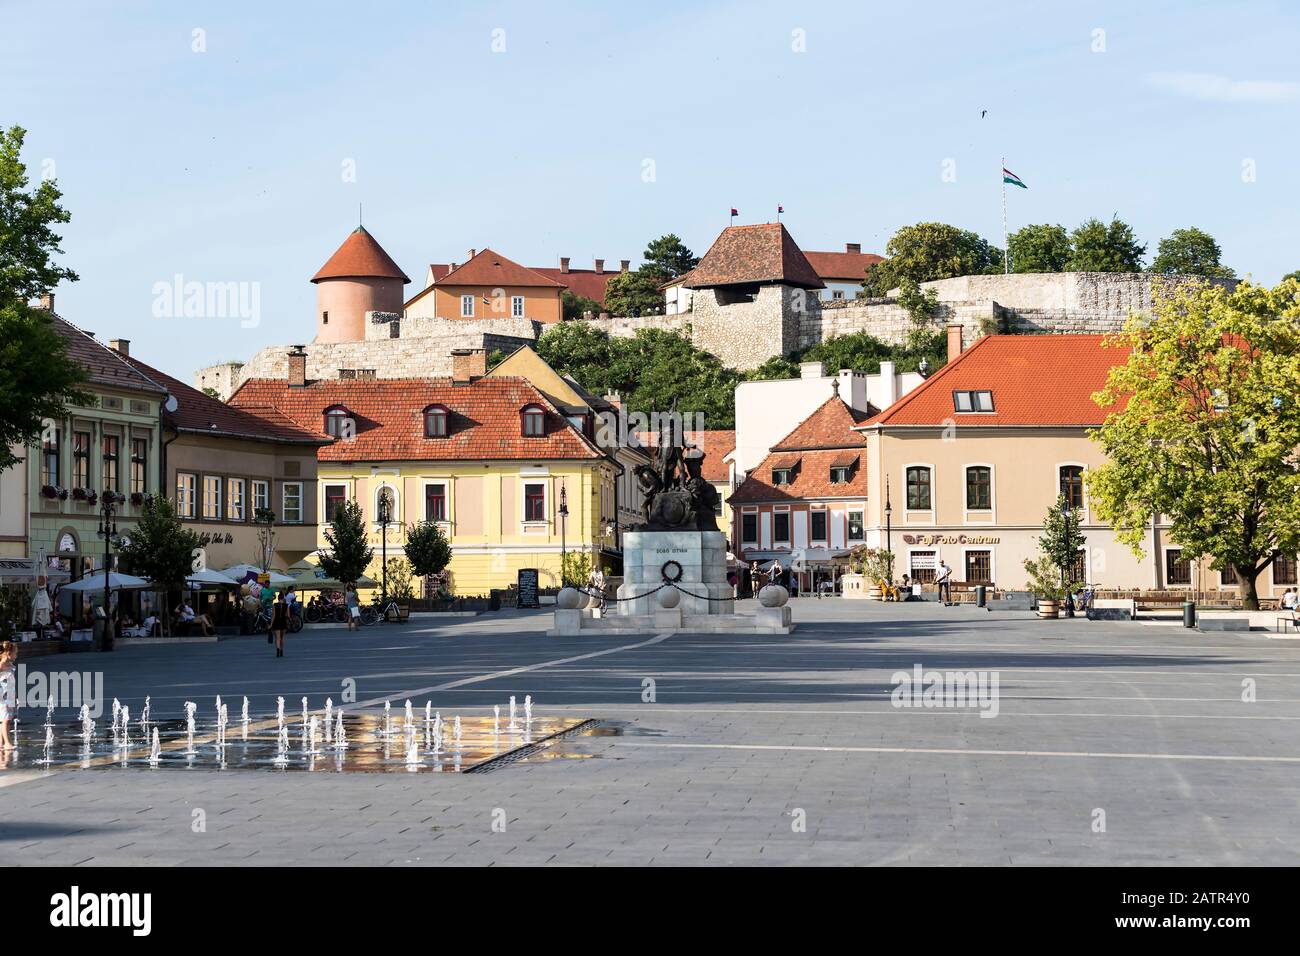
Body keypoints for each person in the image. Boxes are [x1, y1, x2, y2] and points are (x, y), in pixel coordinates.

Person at [0, 642, 16, 752]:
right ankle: (7, 743)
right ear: (8, 653)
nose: (16, 656)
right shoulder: (1, 664)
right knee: (5, 719)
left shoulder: (8, 664)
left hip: (9, 693)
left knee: (6, 719)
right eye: (15, 653)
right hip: (3, 695)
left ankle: (1, 742)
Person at [271, 590, 288, 657]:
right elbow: (287, 615)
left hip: (277, 621)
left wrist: (271, 623)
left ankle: (277, 650)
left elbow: (273, 615)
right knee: (282, 638)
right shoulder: (286, 605)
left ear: (278, 598)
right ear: (283, 598)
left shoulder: (275, 605)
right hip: (283, 621)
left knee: (277, 637)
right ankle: (281, 650)